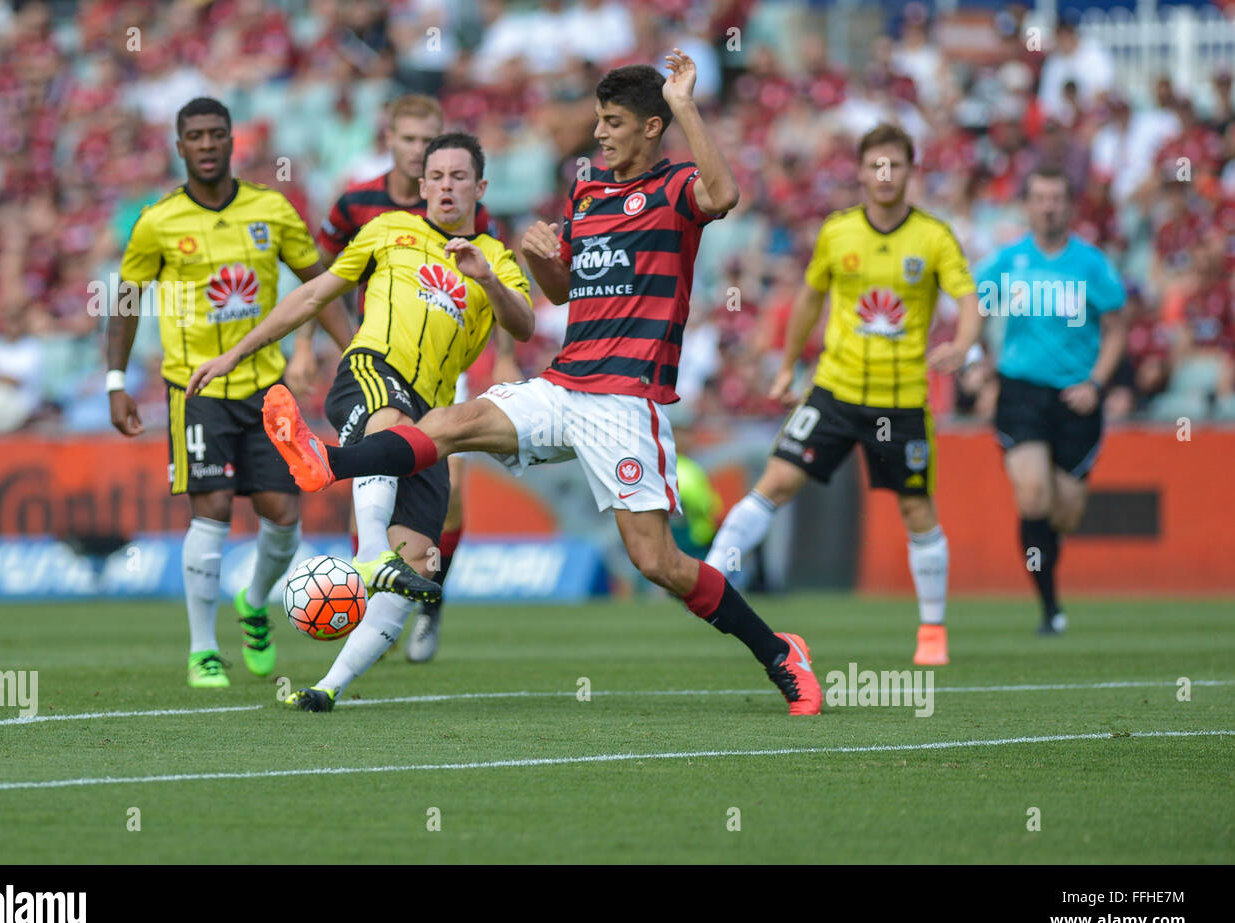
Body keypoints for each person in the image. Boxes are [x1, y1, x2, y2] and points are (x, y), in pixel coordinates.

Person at [257, 53, 825, 717]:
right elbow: (566, 290)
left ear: (651, 127)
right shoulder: (587, 194)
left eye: (614, 123)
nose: (601, 134)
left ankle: (781, 651)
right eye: (598, 121)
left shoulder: (675, 189)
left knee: (658, 561)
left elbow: (724, 195)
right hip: (564, 382)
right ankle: (329, 461)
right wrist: (540, 260)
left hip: (624, 398)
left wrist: (685, 103)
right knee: (451, 423)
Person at [188, 131, 534, 710]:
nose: (447, 186)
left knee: (420, 562)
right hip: (371, 372)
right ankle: (368, 549)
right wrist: (235, 354)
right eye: (438, 177)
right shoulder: (385, 231)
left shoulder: (495, 257)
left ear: (480, 187)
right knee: (390, 416)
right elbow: (313, 295)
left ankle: (328, 687)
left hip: (436, 418)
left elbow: (522, 325)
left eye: (459, 177)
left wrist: (488, 279)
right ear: (422, 185)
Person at [706, 123, 980, 667]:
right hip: (835, 389)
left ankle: (932, 630)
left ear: (909, 172)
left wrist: (964, 346)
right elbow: (809, 300)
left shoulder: (933, 237)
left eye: (895, 166)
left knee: (915, 506)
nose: (884, 176)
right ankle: (710, 580)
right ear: (860, 171)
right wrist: (786, 368)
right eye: (875, 165)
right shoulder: (838, 233)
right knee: (777, 480)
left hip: (901, 400)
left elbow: (968, 300)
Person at [109, 97, 352, 688]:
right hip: (195, 388)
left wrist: (353, 351)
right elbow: (126, 298)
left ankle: (254, 602)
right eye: (196, 136)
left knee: (284, 516)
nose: (208, 144)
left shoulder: (271, 208)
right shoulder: (158, 220)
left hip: (266, 387)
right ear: (180, 146)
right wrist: (116, 381)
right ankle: (202, 650)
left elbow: (318, 283)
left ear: (232, 141)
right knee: (211, 510)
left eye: (217, 134)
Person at [314, 93, 519, 664]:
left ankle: (427, 602)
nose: (415, 152)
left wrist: (504, 354)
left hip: (438, 372)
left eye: (426, 141)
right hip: (377, 361)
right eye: (407, 141)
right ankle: (371, 588)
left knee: (445, 502)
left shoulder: (471, 221)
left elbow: (499, 286)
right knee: (377, 473)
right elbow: (318, 276)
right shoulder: (360, 206)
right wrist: (332, 344)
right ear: (392, 142)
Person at [976, 166, 1126, 634]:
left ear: (1069, 204)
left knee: (1067, 510)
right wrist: (981, 364)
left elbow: (1118, 327)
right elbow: (972, 308)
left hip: (1076, 398)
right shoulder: (1007, 261)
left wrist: (1097, 384)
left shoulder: (1091, 264)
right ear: (1028, 204)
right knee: (1034, 492)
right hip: (1020, 390)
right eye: (1039, 197)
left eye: (1056, 197)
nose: (1048, 205)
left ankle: (1048, 579)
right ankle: (1049, 607)